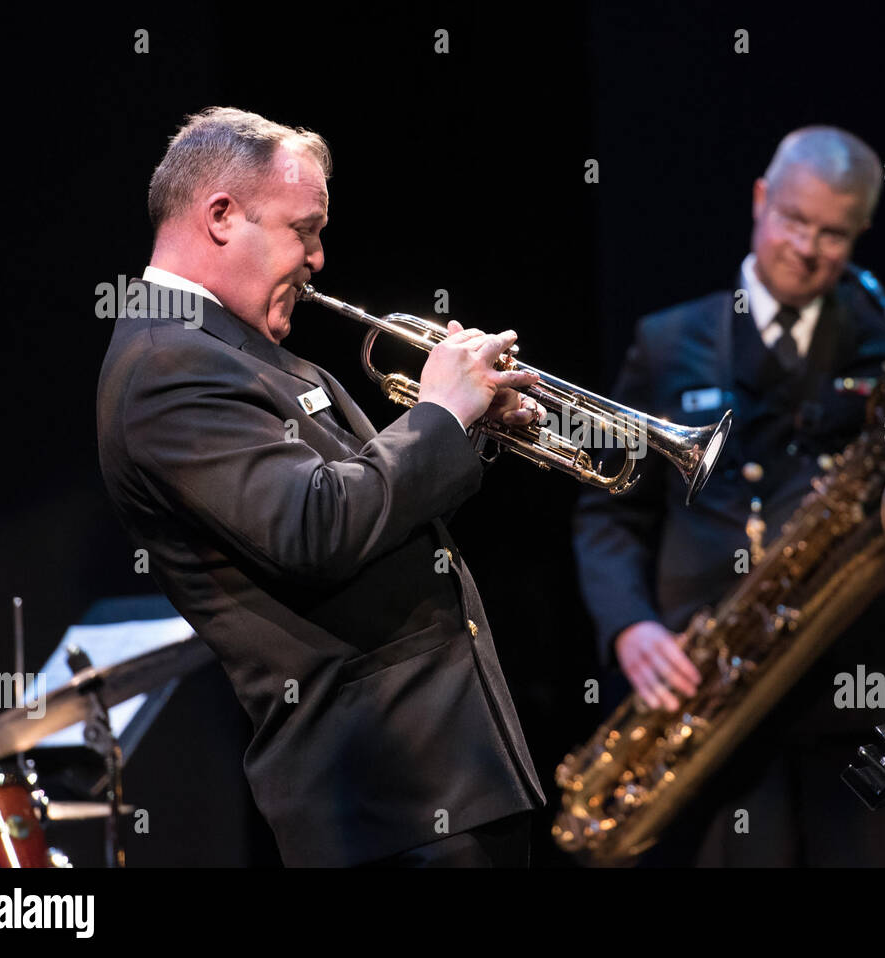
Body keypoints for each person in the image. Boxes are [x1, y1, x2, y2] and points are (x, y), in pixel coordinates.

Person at [97, 107, 548, 867]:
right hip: (385, 801)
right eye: (303, 229)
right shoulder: (165, 366)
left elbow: (368, 499)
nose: (319, 258)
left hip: (442, 780)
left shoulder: (232, 348)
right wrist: (440, 412)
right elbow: (316, 527)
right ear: (220, 217)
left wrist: (472, 423)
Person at [572, 126, 885, 866]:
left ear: (862, 231)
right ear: (760, 200)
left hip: (868, 704)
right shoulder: (667, 339)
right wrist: (630, 627)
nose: (807, 247)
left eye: (834, 233)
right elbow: (611, 510)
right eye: (795, 220)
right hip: (713, 704)